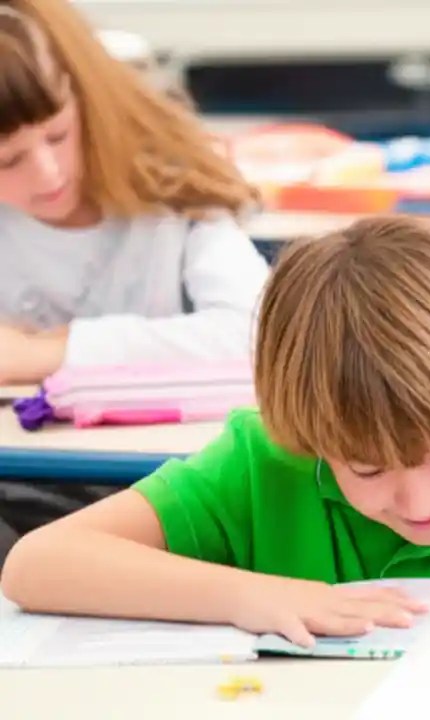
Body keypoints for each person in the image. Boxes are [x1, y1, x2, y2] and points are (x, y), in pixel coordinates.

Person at [0, 217, 430, 647]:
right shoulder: (264, 461)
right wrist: (256, 594)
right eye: (366, 468)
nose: (419, 501)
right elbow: (36, 564)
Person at [0, 0, 269, 562]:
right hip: (19, 491)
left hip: (170, 489)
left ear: (84, 97)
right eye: (8, 161)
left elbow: (260, 334)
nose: (46, 175)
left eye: (57, 135)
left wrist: (39, 352)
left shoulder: (170, 182)